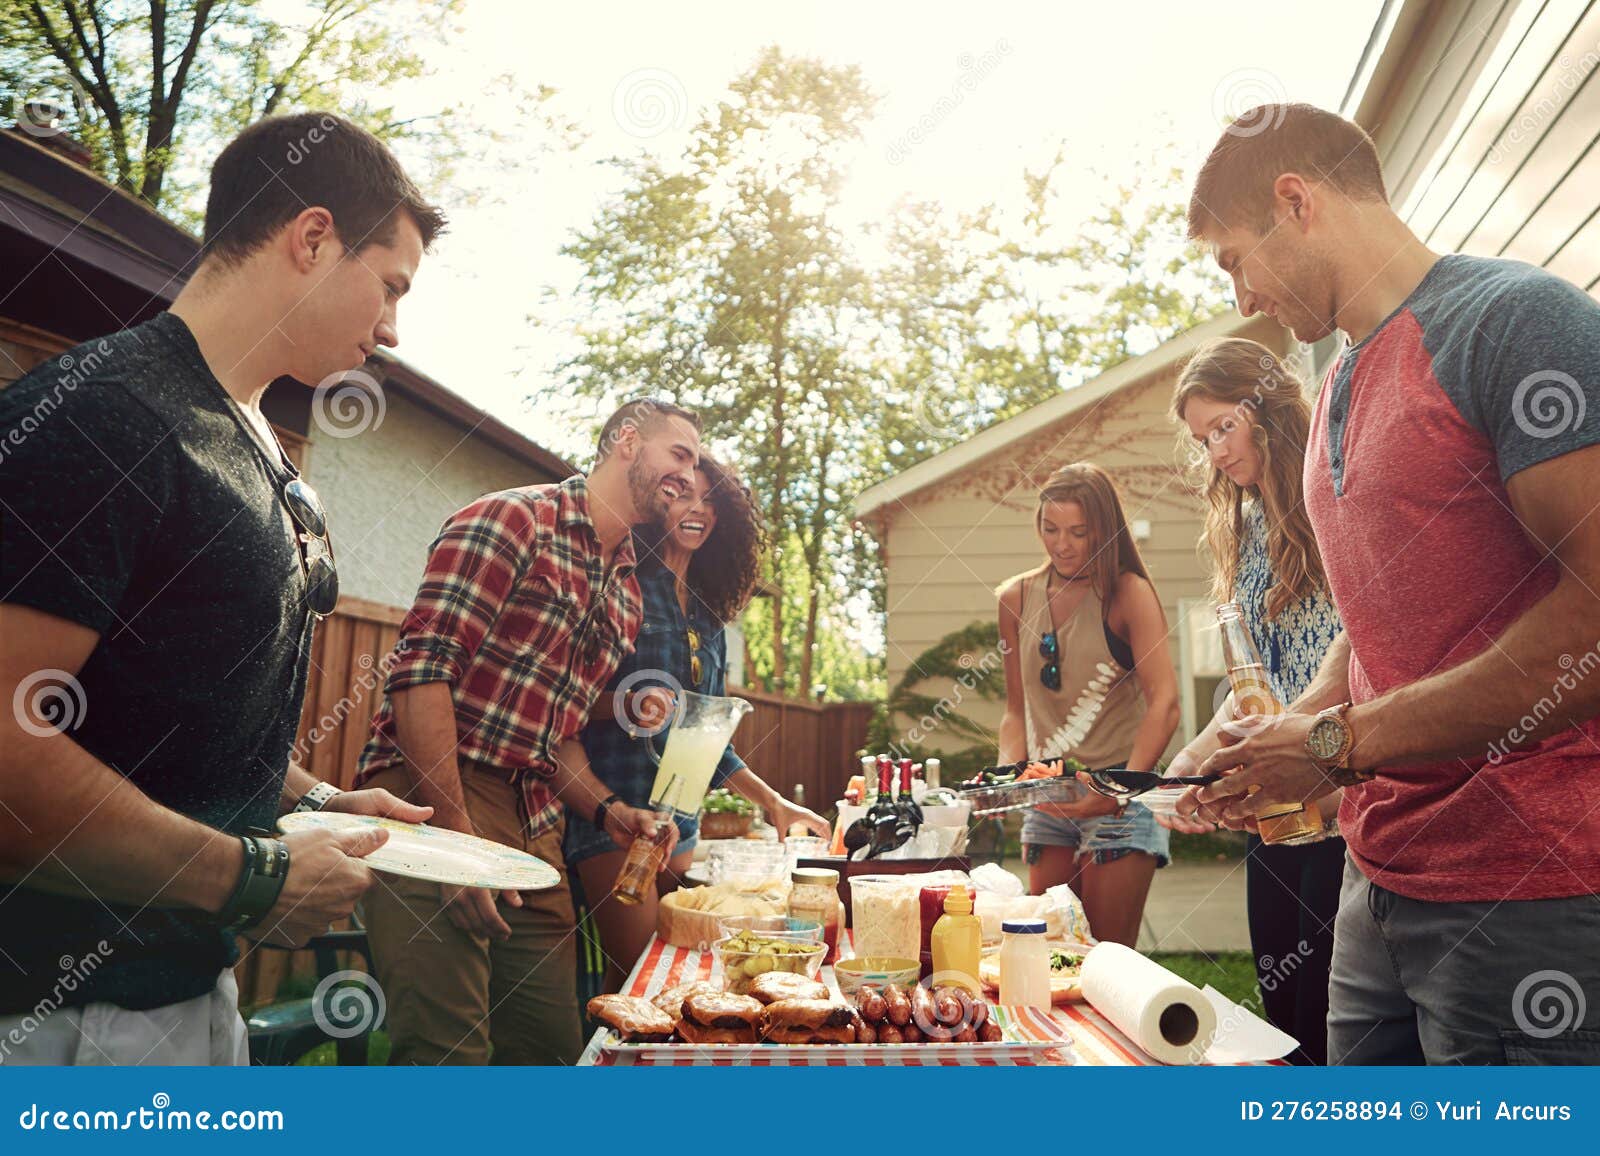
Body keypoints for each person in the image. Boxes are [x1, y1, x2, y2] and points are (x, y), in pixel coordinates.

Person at [0, 113, 443, 1065]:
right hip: (58, 1021)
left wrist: (316, 803)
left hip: (194, 991)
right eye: (391, 286)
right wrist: (253, 877)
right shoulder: (103, 416)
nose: (394, 328)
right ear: (313, 237)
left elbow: (172, 719)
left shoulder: (256, 444)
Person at [1179, 103, 1600, 1064]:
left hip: (1530, 893)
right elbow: (1376, 618)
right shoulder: (1334, 383)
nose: (1242, 296)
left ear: (1297, 200)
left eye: (1235, 259)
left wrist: (1334, 743)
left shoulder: (1517, 324)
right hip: (1377, 889)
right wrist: (1301, 729)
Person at [355, 397, 701, 1066]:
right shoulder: (514, 519)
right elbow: (421, 674)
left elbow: (558, 738)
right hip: (435, 795)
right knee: (445, 1057)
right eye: (679, 455)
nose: (690, 477)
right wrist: (453, 842)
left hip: (535, 820)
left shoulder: (627, 589)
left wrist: (609, 809)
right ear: (627, 441)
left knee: (549, 1053)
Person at [568, 453, 831, 991]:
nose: (697, 509)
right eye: (683, 494)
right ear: (657, 502)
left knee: (681, 980)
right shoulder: (621, 585)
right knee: (638, 987)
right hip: (613, 816)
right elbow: (562, 701)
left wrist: (774, 803)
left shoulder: (708, 615)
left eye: (710, 500)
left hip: (679, 824)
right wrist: (626, 701)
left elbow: (709, 736)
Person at [1162, 336, 1345, 1064]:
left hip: (1341, 802)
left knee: (1329, 1018)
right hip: (1271, 812)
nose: (1213, 453)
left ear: (1266, 412)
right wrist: (1189, 761)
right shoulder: (1247, 529)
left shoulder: (1334, 500)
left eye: (1221, 429)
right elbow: (1252, 690)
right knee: (1282, 1024)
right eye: (1202, 439)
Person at [995, 462, 1180, 947]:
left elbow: (1166, 704)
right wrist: (1005, 779)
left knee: (1106, 963)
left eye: (1079, 531)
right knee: (1047, 952)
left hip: (1119, 798)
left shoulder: (1127, 593)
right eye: (1050, 529)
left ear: (1103, 528)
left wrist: (1118, 793)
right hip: (1049, 800)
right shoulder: (1015, 598)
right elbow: (1016, 712)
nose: (1062, 544)